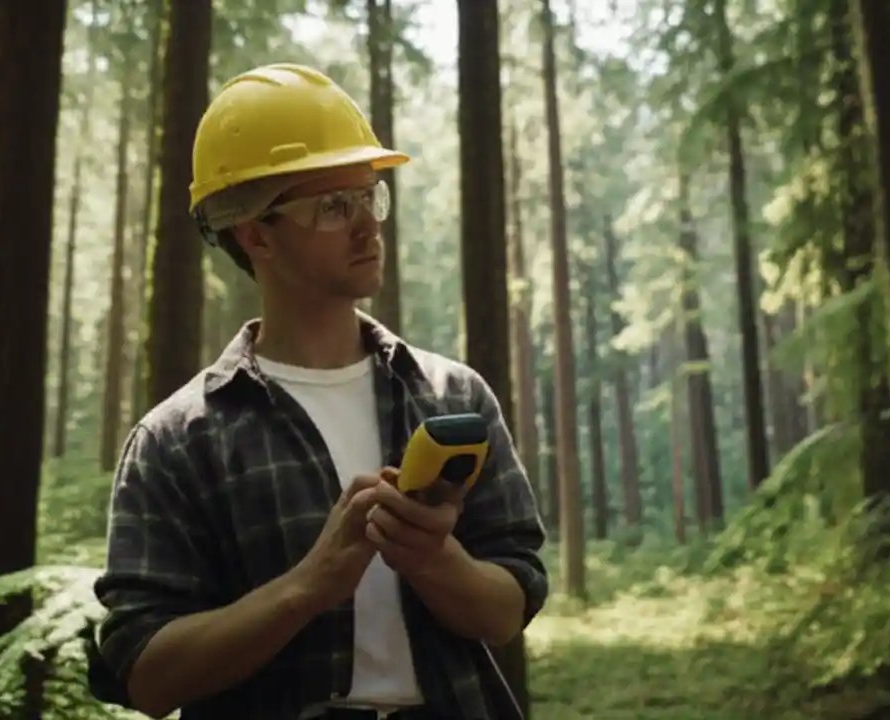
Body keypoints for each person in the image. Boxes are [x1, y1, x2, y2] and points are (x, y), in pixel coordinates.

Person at [90, 62, 548, 720]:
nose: (369, 224)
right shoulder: (178, 440)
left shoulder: (453, 397)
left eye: (371, 196)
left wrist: (431, 556)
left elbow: (510, 607)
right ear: (255, 234)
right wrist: (310, 584)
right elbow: (146, 675)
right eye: (334, 206)